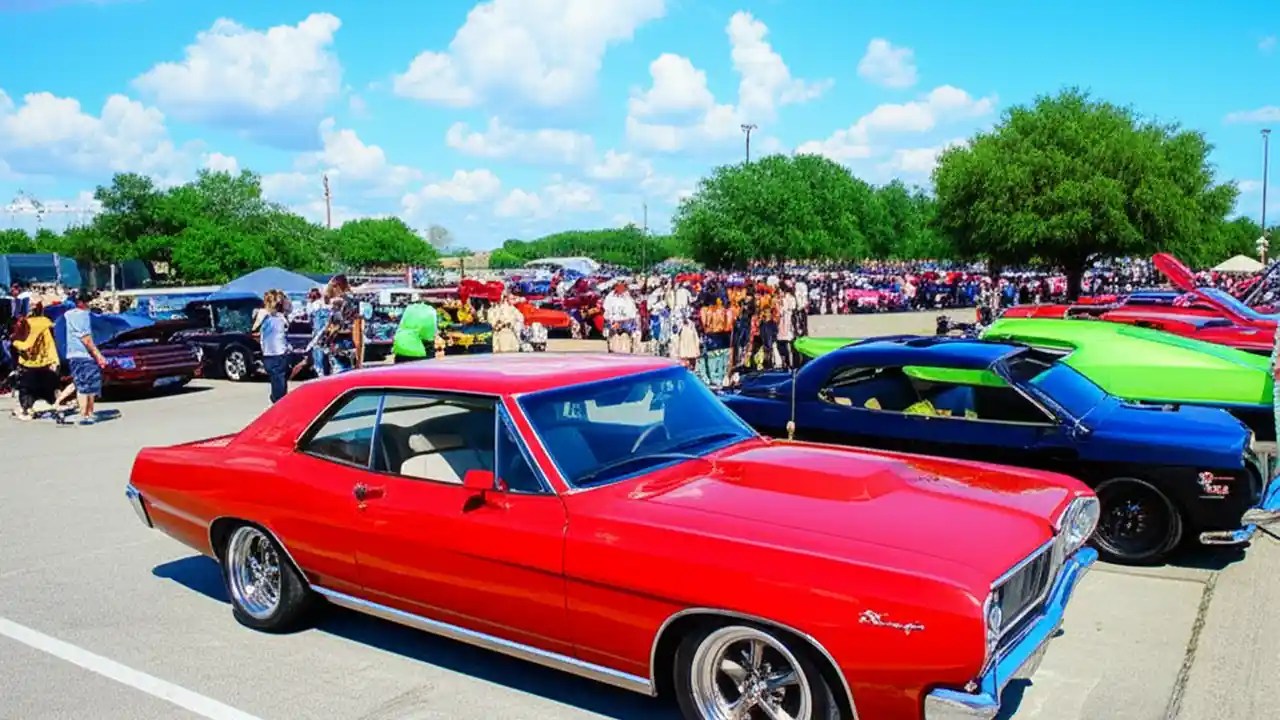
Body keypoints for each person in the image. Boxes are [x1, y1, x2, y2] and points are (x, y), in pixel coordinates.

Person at [55, 291, 107, 425]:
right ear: (83, 303)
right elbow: (86, 338)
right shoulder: (83, 316)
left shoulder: (68, 315)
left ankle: (86, 414)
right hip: (84, 354)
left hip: (73, 354)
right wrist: (98, 355)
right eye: (88, 302)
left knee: (82, 384)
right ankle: (86, 414)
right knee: (87, 386)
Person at [10, 304, 63, 421]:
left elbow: (14, 340)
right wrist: (54, 359)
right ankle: (50, 405)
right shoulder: (45, 323)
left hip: (26, 361)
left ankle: (26, 408)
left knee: (26, 388)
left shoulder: (23, 322)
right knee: (46, 386)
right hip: (43, 362)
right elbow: (49, 343)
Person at [253, 290, 290, 403]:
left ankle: (278, 400)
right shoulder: (277, 315)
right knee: (280, 379)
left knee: (277, 378)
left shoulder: (265, 313)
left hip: (271, 352)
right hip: (279, 352)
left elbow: (254, 329)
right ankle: (278, 400)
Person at [603, 281, 639, 353]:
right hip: (613, 319)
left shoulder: (628, 297)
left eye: (622, 286)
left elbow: (632, 309)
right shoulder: (610, 297)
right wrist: (611, 318)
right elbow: (606, 308)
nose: (620, 288)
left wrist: (630, 317)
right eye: (618, 286)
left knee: (630, 333)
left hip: (626, 320)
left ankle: (631, 347)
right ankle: (610, 347)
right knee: (611, 333)